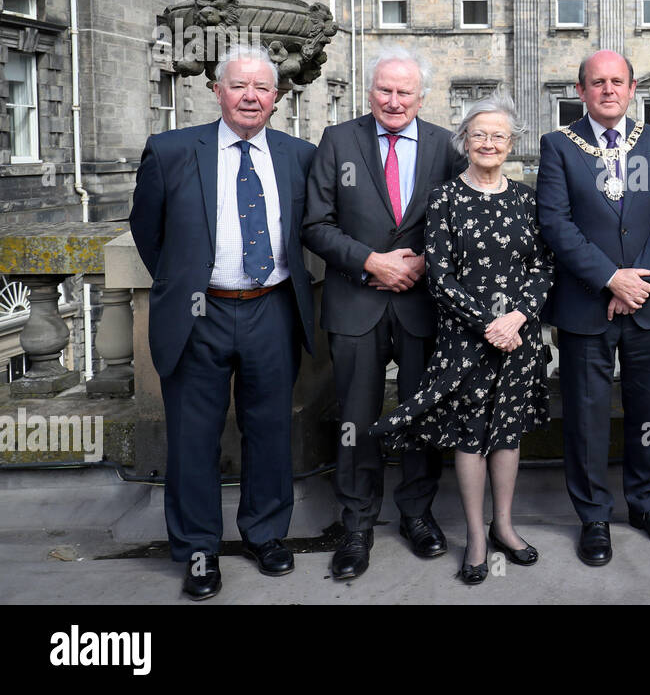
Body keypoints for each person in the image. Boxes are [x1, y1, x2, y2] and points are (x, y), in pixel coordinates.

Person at [129, 45, 316, 600]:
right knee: (192, 436)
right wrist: (186, 282)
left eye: (263, 88)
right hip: (199, 312)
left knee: (269, 429)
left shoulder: (300, 155)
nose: (251, 96)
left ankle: (265, 534)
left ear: (277, 98)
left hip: (272, 307)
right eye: (239, 86)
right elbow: (148, 232)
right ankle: (198, 550)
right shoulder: (169, 151)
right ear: (217, 90)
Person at [372, 95, 553, 585]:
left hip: (518, 338)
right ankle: (475, 535)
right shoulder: (445, 198)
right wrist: (487, 324)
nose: (489, 143)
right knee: (471, 437)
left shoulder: (526, 199)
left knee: (508, 433)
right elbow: (441, 277)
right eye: (479, 135)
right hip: (465, 340)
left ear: (511, 143)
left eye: (498, 135)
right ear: (465, 143)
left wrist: (514, 319)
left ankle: (505, 526)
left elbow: (543, 268)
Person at [301, 48, 465, 580]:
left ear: (422, 97)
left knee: (422, 414)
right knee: (357, 419)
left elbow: (466, 220)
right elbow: (316, 224)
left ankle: (417, 513)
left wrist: (423, 262)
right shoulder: (338, 141)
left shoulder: (447, 146)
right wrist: (369, 260)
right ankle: (356, 523)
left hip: (424, 306)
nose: (393, 101)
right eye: (384, 91)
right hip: (356, 302)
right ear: (369, 91)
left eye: (405, 92)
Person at [536, 49, 650, 566]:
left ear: (632, 88)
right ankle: (594, 516)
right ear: (580, 91)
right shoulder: (559, 145)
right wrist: (609, 279)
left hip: (649, 302)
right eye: (597, 82)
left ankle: (647, 505)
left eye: (617, 82)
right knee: (586, 414)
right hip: (586, 304)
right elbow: (556, 223)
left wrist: (637, 282)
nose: (608, 90)